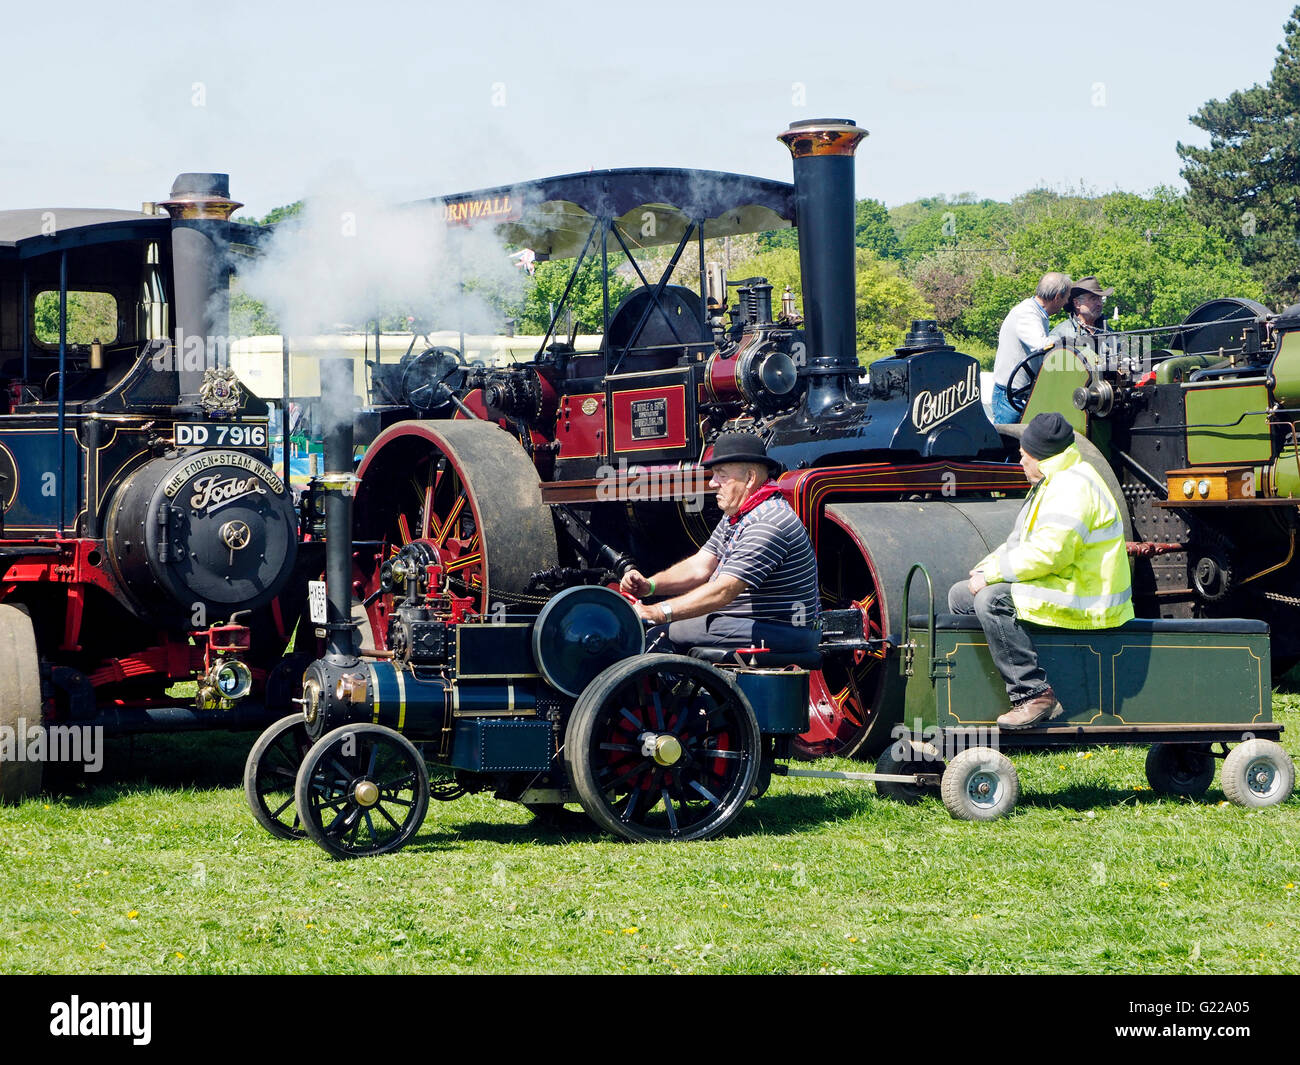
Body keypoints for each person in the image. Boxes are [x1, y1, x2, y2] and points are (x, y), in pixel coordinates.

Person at [948, 412, 1133, 728]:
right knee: (960, 595)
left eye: (1023, 456)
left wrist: (991, 578)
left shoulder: (1073, 486)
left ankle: (1033, 695)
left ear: (1041, 456)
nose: (1020, 463)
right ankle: (984, 692)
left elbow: (1049, 555)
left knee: (992, 600)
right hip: (1063, 584)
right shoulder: (1053, 480)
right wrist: (982, 570)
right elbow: (1018, 543)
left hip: (1086, 598)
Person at [620, 431, 820, 656]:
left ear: (750, 478)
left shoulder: (769, 521)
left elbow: (724, 590)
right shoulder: (738, 514)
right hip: (745, 623)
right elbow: (700, 566)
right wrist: (650, 585)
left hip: (782, 630)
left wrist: (657, 612)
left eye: (721, 475)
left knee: (657, 636)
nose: (713, 483)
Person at [991, 272, 1072, 424]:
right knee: (1006, 444)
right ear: (1057, 297)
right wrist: (1066, 340)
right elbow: (1041, 345)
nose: (1066, 302)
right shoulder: (1027, 313)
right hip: (1010, 397)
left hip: (1020, 394)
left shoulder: (1037, 313)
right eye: (1066, 297)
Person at [1050, 276, 1115, 356]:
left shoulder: (1108, 331)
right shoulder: (1060, 334)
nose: (1099, 304)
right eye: (1093, 299)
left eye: (1100, 299)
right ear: (1077, 303)